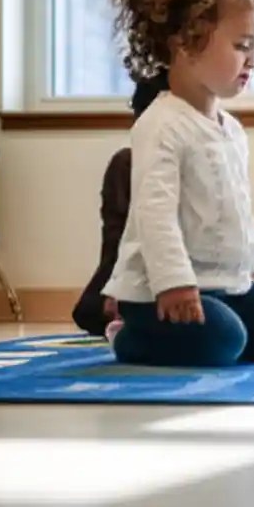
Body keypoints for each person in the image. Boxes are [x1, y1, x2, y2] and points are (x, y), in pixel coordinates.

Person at [102, 0, 254, 367]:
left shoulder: (231, 129)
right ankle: (129, 336)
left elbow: (240, 209)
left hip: (223, 284)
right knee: (223, 341)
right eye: (241, 46)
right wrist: (174, 284)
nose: (252, 61)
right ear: (184, 43)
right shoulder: (161, 124)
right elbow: (154, 215)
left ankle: (212, 334)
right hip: (157, 290)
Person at [71, 75, 168, 337]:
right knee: (91, 309)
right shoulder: (128, 164)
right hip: (136, 272)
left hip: (190, 276)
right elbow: (116, 241)